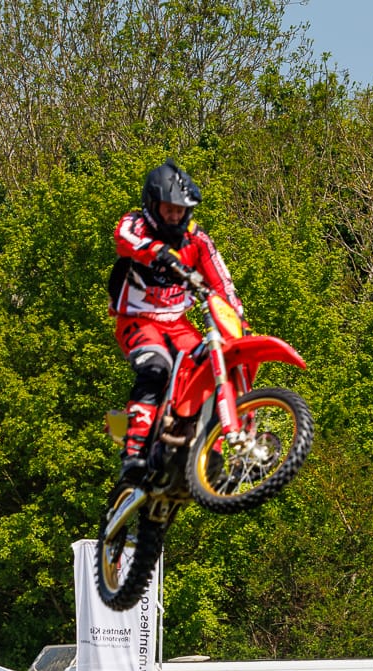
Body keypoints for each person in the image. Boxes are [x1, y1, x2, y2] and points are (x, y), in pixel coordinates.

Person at [109, 159, 242, 479]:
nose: (174, 216)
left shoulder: (198, 240)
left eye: (180, 210)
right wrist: (160, 253)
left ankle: (212, 453)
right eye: (169, 209)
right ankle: (133, 453)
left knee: (217, 365)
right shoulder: (135, 224)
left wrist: (238, 321)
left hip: (179, 324)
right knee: (157, 368)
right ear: (153, 205)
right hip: (137, 320)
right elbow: (124, 238)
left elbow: (222, 285)